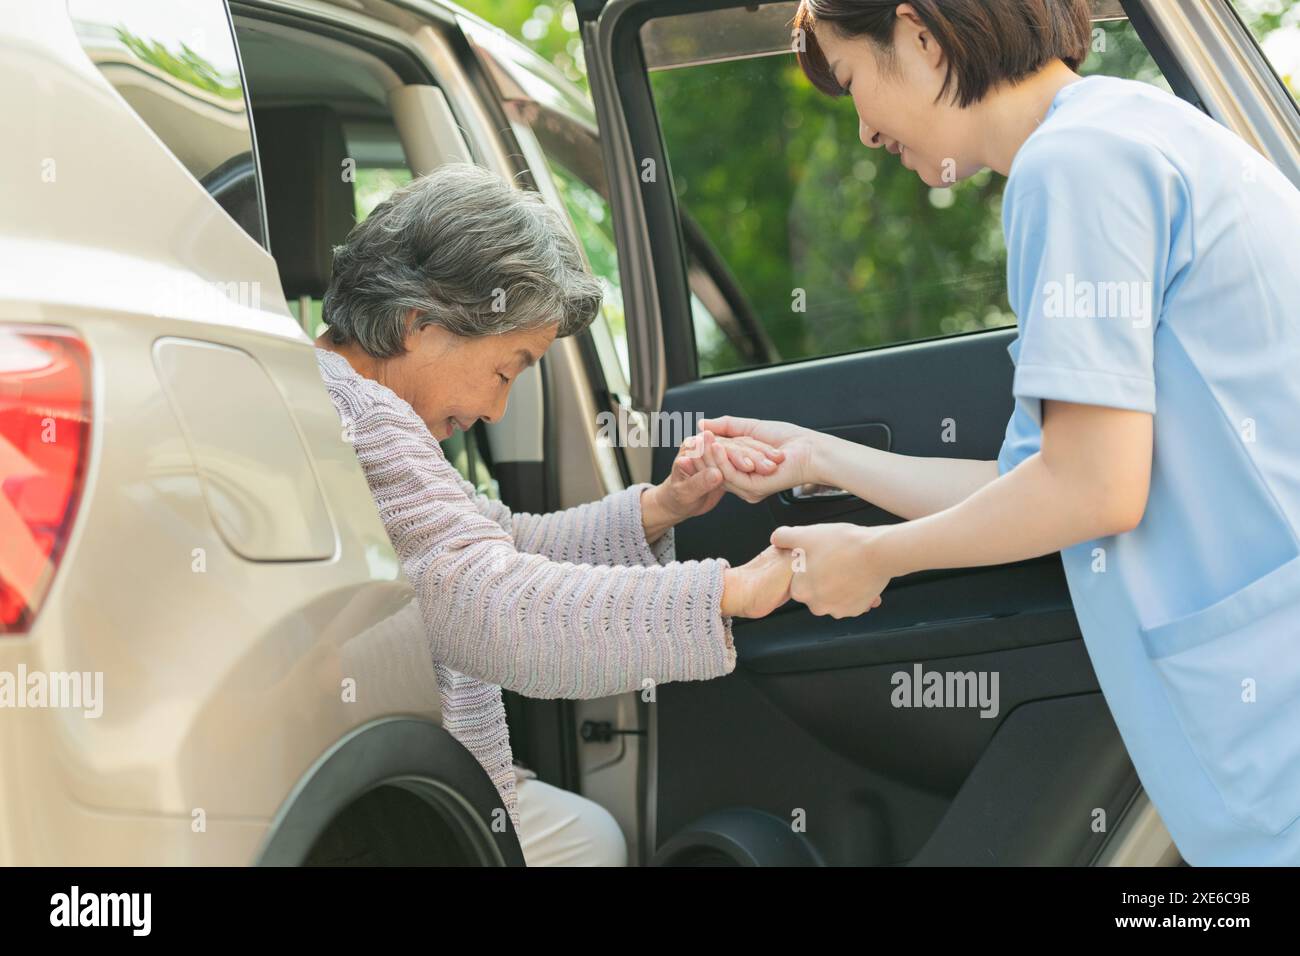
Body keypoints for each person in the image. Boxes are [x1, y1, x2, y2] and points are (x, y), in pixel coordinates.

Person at [702, 0, 1300, 864]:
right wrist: (820, 457)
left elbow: (1092, 492)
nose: (865, 130)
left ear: (919, 35)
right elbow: (1037, 481)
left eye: (852, 80)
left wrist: (876, 559)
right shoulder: (1113, 136)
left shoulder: (1075, 168)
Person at [316, 162, 793, 865]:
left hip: (409, 780)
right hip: (397, 803)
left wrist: (660, 509)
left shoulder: (358, 406)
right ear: (420, 322)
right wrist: (730, 592)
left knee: (589, 837)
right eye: (506, 370)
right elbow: (490, 606)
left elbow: (495, 543)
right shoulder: (358, 420)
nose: (495, 409)